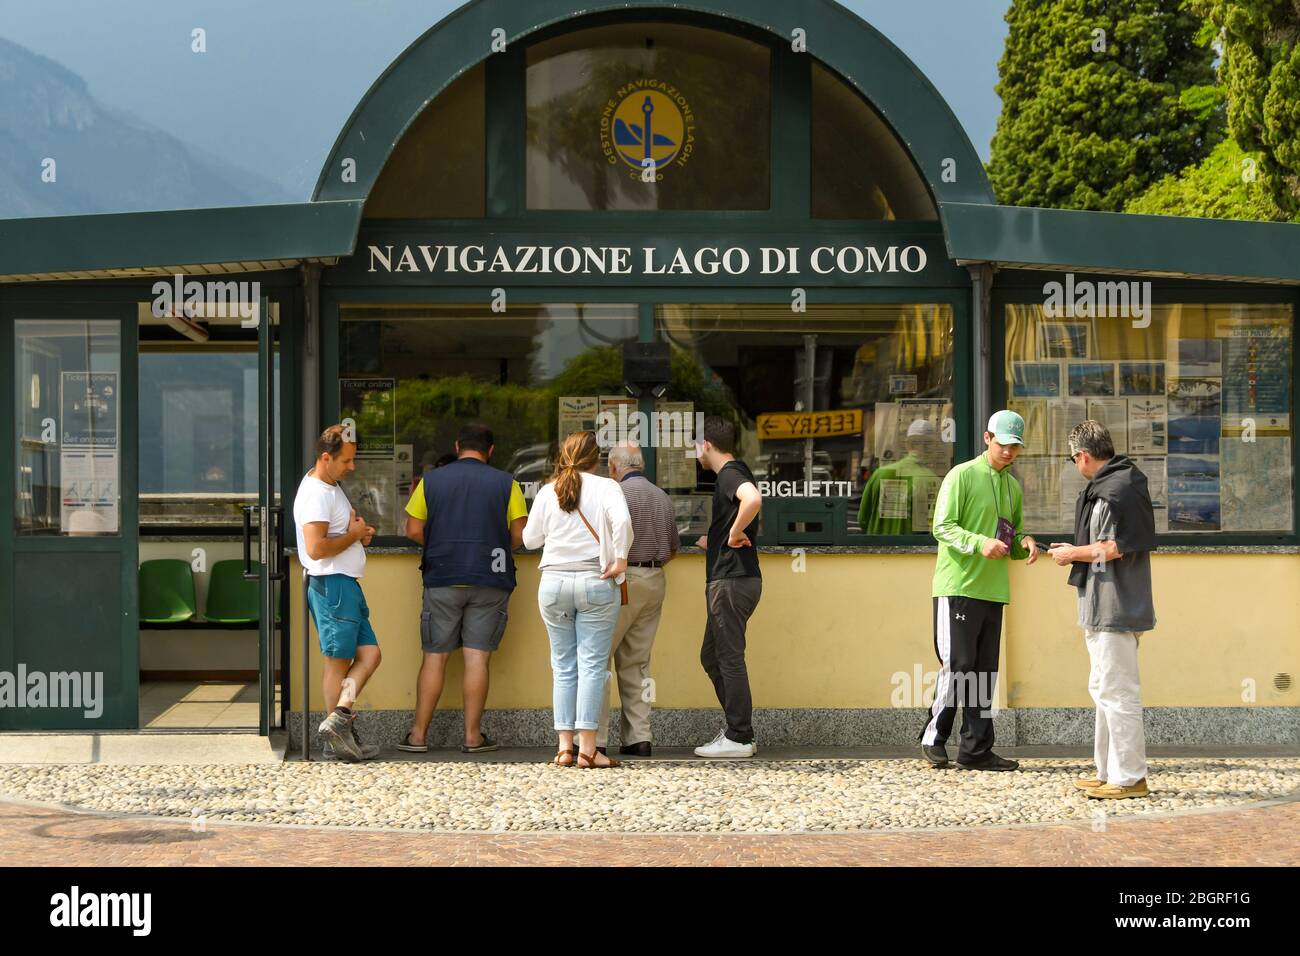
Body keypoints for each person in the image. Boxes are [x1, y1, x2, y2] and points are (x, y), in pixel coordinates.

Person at [397, 423, 528, 754]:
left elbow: (413, 528)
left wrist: (442, 543)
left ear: (457, 446)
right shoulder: (506, 483)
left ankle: (418, 736)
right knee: (476, 659)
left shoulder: (432, 481)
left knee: (434, 658)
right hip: (491, 577)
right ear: (491, 450)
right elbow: (519, 535)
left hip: (442, 575)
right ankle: (472, 737)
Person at [921, 409, 1039, 771]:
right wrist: (979, 543)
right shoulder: (961, 475)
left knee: (984, 672)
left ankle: (975, 750)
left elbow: (1011, 535)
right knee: (958, 667)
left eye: (1015, 446)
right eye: (1003, 444)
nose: (1009, 452)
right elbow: (942, 527)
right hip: (958, 586)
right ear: (988, 438)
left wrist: (1026, 543)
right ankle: (933, 736)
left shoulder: (1012, 486)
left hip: (993, 590)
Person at [1048, 420, 1157, 800]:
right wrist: (1076, 550)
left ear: (1083, 456)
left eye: (1074, 458)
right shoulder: (1112, 484)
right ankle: (1108, 770)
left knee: (1118, 690)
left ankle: (1130, 777)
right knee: (1103, 688)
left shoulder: (1117, 488)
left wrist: (1071, 553)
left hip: (1117, 602)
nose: (1075, 464)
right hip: (1101, 602)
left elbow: (1114, 547)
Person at [523, 430, 632, 769]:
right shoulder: (607, 488)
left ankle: (563, 747)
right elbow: (624, 521)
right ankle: (588, 749)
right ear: (596, 460)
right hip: (595, 581)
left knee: (563, 667)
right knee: (592, 667)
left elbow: (529, 540)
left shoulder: (546, 491)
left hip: (553, 583)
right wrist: (622, 558)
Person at [294, 425, 382, 762]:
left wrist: (358, 535)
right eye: (346, 460)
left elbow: (334, 536)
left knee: (370, 655)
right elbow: (316, 548)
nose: (352, 466)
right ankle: (336, 738)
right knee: (338, 662)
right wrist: (353, 535)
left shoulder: (330, 487)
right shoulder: (316, 493)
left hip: (345, 585)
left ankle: (340, 720)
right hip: (333, 585)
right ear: (326, 457)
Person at [594, 443, 680, 758]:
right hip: (655, 580)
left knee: (599, 659)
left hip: (623, 580)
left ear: (614, 467)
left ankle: (595, 738)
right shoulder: (662, 496)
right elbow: (672, 548)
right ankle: (639, 738)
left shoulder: (615, 495)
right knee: (636, 662)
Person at [692, 416, 763, 758]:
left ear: (706, 444)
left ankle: (739, 735)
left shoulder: (730, 475)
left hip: (731, 581)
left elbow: (752, 500)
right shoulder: (737, 471)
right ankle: (738, 729)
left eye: (696, 445)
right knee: (712, 655)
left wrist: (733, 534)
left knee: (729, 657)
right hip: (738, 578)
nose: (695, 452)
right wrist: (718, 538)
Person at [857, 418, 940, 535]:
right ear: (931, 446)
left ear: (907, 444)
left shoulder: (879, 474)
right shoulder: (933, 481)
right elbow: (933, 528)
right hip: (913, 552)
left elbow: (863, 520)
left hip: (875, 551)